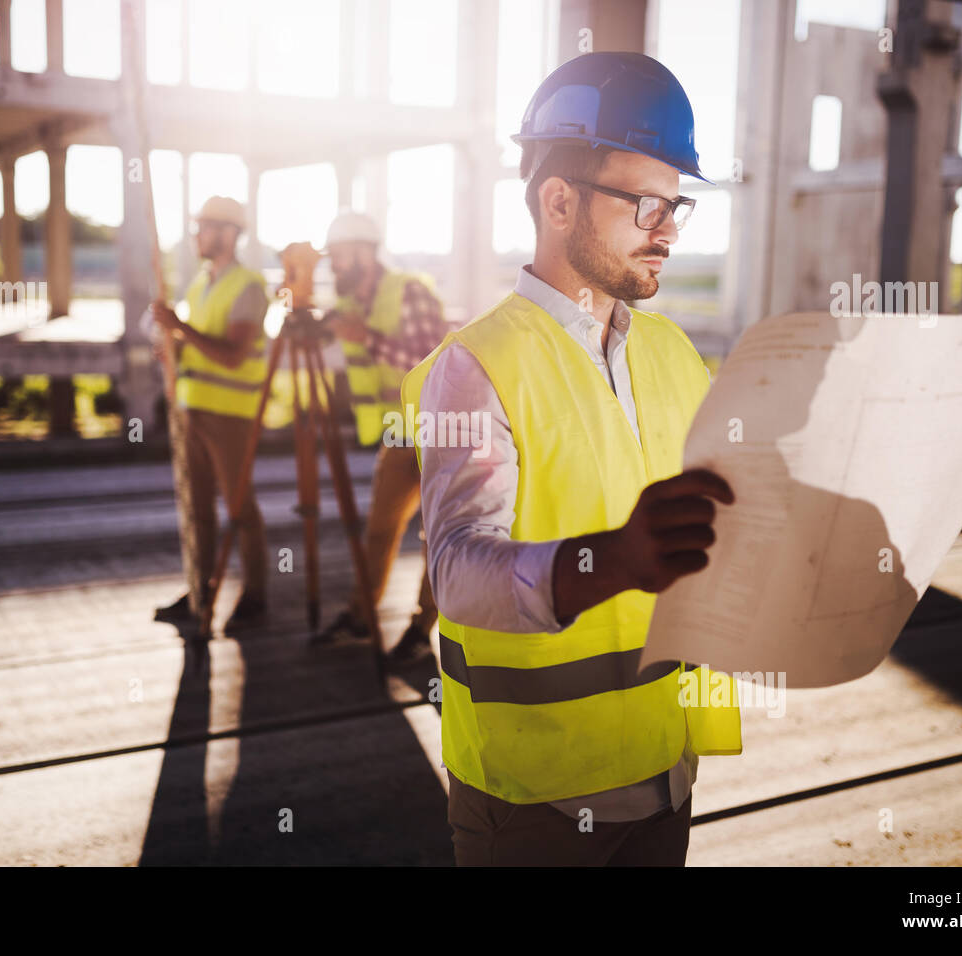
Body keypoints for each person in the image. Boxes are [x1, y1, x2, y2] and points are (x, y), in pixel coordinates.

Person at [401, 52, 743, 866]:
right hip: (535, 799)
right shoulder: (476, 366)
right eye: (645, 203)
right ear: (559, 201)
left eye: (677, 204)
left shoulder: (672, 354)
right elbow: (457, 573)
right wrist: (616, 559)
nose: (667, 228)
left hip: (666, 770)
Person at [310, 211, 449, 664]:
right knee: (379, 528)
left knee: (438, 534)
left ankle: (422, 628)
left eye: (341, 256)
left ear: (366, 253)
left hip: (442, 428)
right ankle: (360, 618)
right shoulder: (351, 305)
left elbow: (433, 357)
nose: (334, 266)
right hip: (400, 431)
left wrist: (366, 338)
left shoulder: (408, 291)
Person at [152, 196, 271, 636]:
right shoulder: (202, 284)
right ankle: (200, 592)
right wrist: (176, 346)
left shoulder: (248, 287)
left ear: (226, 233)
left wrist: (180, 328)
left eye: (203, 228)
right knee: (197, 509)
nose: (197, 236)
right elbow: (204, 346)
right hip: (193, 410)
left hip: (230, 416)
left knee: (240, 508)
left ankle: (255, 597)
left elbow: (234, 355)